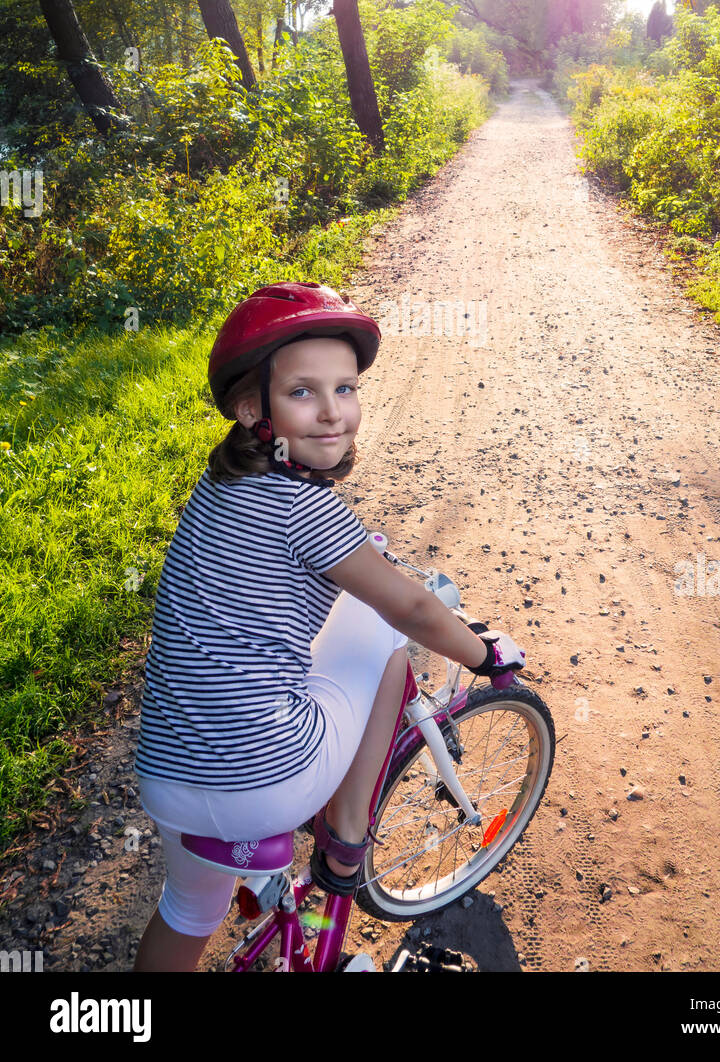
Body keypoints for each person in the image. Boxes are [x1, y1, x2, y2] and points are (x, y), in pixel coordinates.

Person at [131, 281, 523, 971]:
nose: (332, 413)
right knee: (385, 640)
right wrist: (482, 651)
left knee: (188, 911)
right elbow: (411, 606)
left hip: (169, 775)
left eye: (346, 389)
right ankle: (345, 840)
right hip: (264, 781)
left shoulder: (218, 487)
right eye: (304, 393)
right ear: (254, 407)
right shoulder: (311, 513)